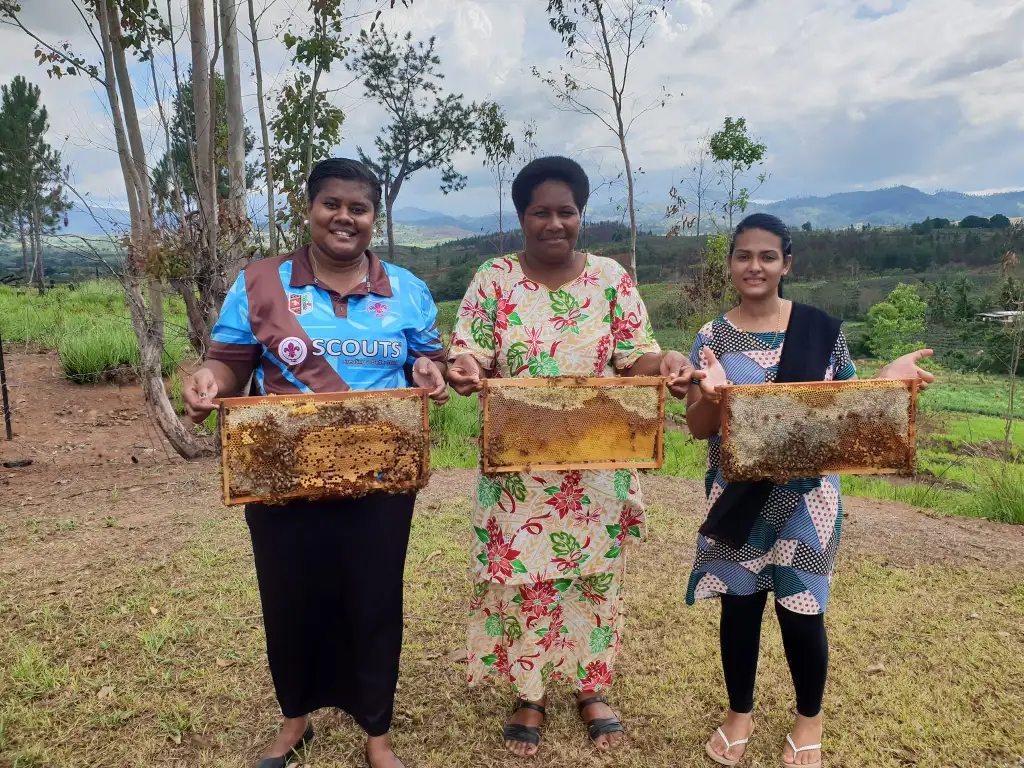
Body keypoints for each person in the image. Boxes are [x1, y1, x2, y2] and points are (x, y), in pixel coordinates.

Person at [182, 158, 448, 768]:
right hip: (283, 474)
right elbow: (231, 363)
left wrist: (428, 370)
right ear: (309, 210)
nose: (344, 217)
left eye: (359, 208)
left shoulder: (407, 289)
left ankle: (377, 736)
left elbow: (427, 363)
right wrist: (208, 378)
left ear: (374, 217)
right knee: (289, 600)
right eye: (332, 204)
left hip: (381, 477)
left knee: (373, 601)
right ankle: (294, 720)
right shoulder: (260, 283)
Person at [447, 156, 692, 758]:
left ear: (581, 215)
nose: (554, 223)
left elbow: (636, 357)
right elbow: (470, 354)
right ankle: (529, 694)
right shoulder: (495, 278)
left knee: (595, 578)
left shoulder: (611, 278)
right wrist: (466, 369)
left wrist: (666, 363)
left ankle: (590, 685)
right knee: (524, 582)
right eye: (541, 212)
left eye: (566, 211)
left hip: (597, 464)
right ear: (521, 217)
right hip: (520, 468)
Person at [684, 213, 935, 768]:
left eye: (767, 256)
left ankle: (808, 719)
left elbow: (849, 410)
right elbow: (698, 428)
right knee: (740, 608)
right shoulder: (711, 337)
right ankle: (740, 713)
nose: (754, 266)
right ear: (730, 263)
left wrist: (888, 379)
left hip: (808, 500)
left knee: (802, 610)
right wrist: (716, 399)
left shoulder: (821, 331)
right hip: (738, 497)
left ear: (786, 264)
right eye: (744, 255)